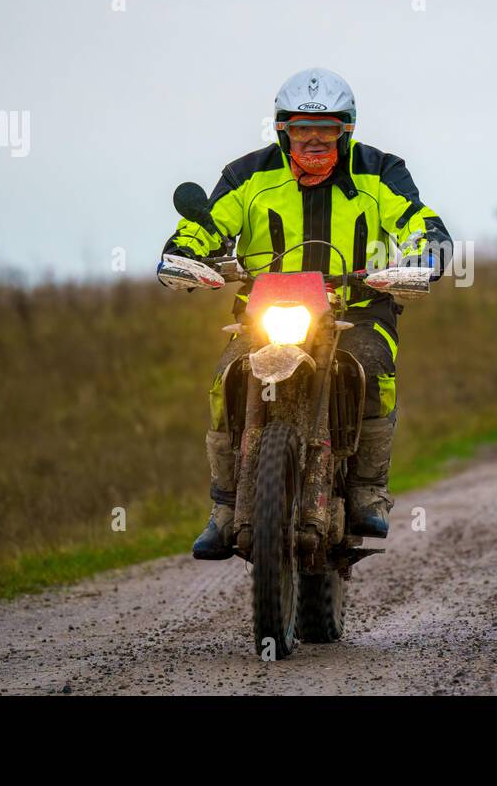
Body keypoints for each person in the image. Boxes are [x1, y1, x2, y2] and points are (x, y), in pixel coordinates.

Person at [160, 68, 451, 560]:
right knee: (224, 377)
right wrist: (186, 252)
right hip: (264, 311)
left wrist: (427, 253)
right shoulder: (247, 175)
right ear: (282, 130)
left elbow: (416, 219)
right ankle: (225, 505)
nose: (314, 138)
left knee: (373, 370)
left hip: (358, 307)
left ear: (347, 131)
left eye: (328, 128)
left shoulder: (381, 171)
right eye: (301, 127)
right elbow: (209, 224)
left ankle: (365, 489)